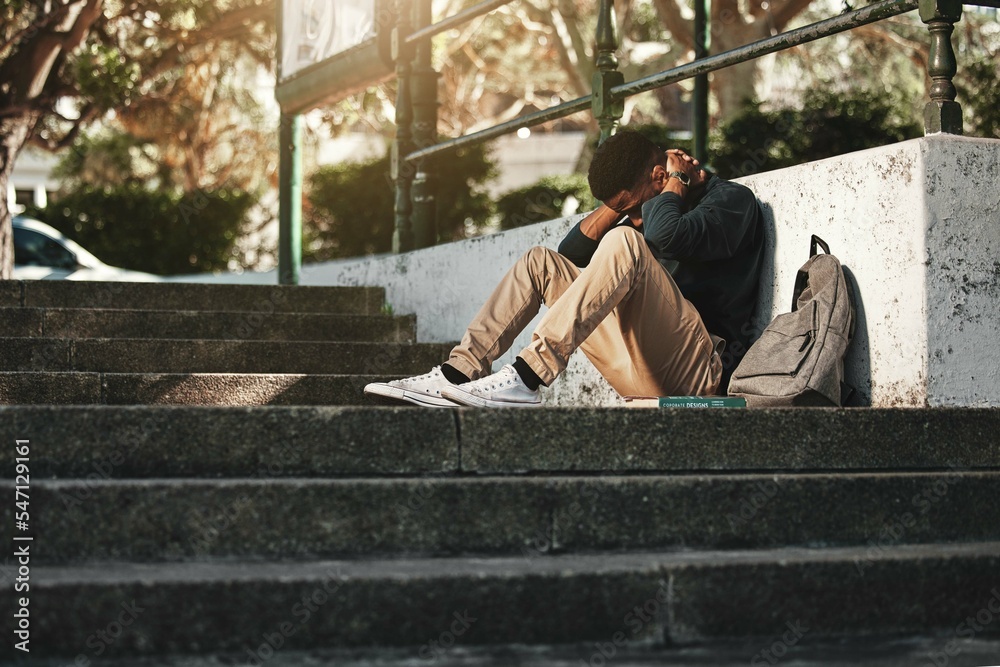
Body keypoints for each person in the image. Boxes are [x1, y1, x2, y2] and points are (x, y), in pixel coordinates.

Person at [365, 130, 765, 408]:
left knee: (624, 241)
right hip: (639, 367)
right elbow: (570, 253)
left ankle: (528, 377)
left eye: (630, 207)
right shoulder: (648, 210)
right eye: (624, 209)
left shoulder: (730, 202)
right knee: (540, 262)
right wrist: (621, 203)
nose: (632, 218)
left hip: (700, 374)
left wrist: (674, 180)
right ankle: (457, 374)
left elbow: (667, 235)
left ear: (661, 177)